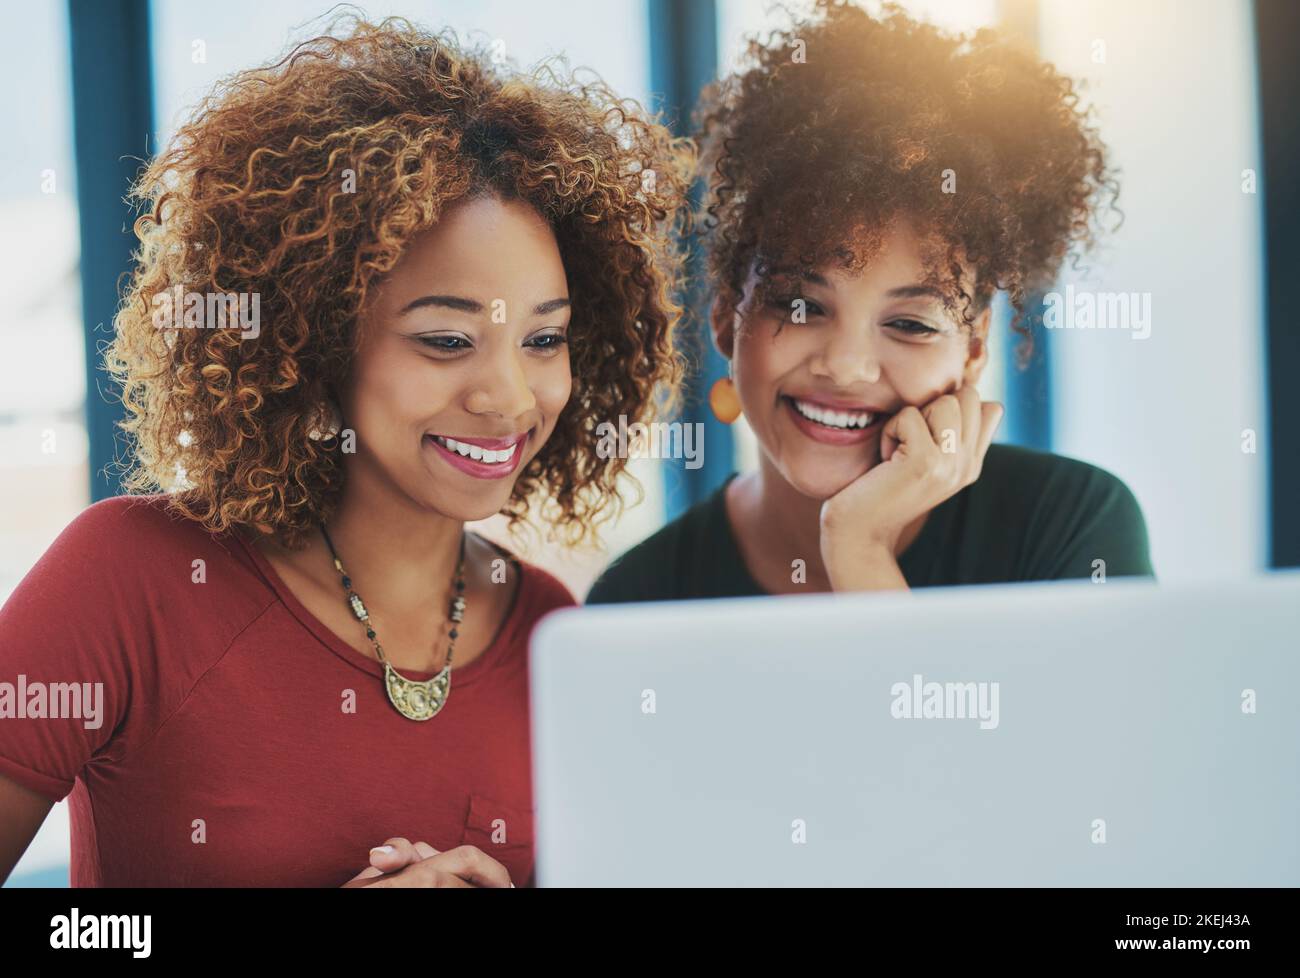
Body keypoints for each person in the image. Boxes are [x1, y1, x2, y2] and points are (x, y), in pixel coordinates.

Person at [0, 16, 692, 887]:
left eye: (543, 340)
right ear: (314, 348)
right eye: (445, 340)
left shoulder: (550, 631)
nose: (511, 398)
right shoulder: (127, 583)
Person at [587, 0, 1153, 605]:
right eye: (801, 306)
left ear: (974, 351)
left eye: (910, 323)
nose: (847, 365)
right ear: (726, 316)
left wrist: (859, 547)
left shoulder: (1071, 528)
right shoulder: (636, 601)